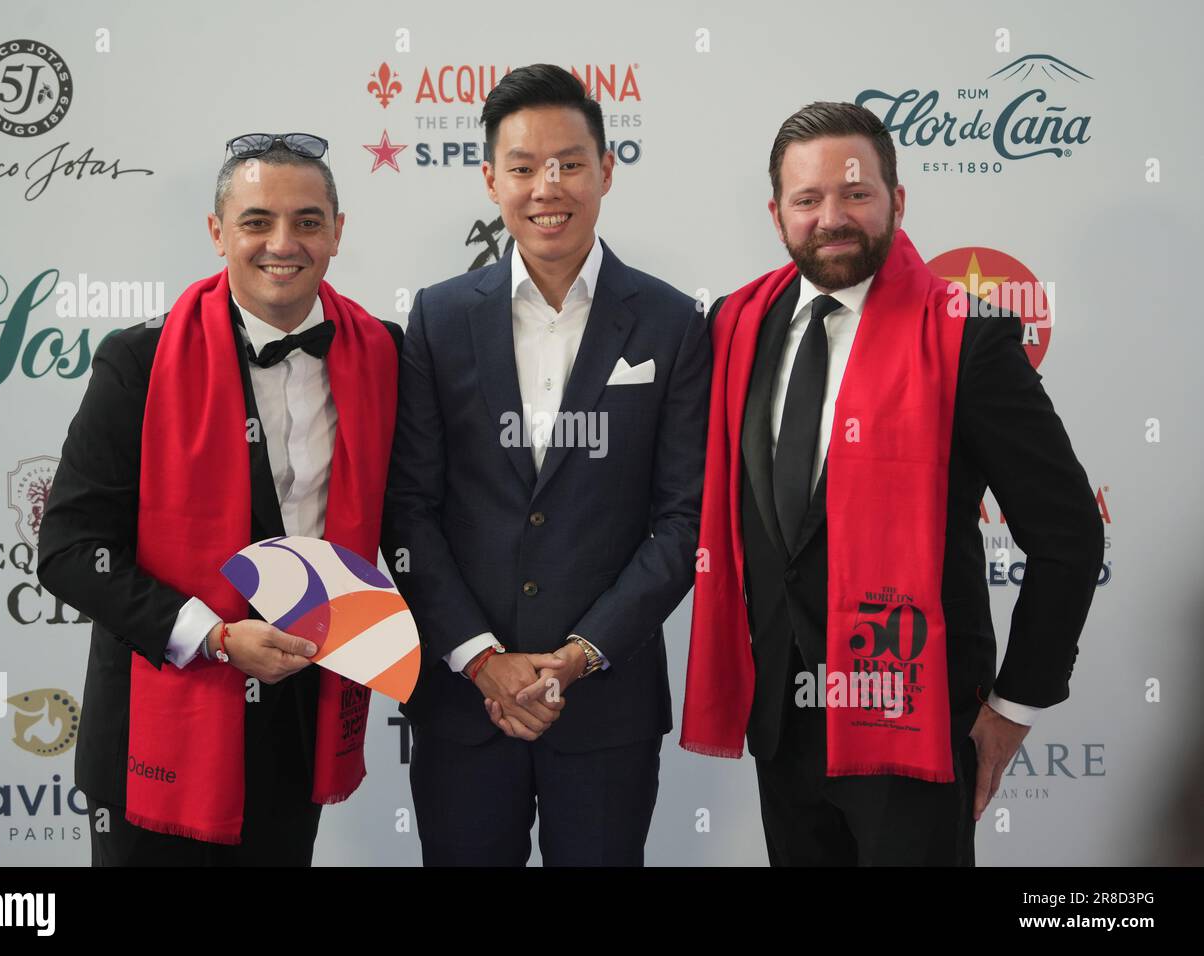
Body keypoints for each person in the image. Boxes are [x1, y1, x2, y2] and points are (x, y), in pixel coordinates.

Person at [681, 102, 1104, 866]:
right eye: (808, 200)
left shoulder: (965, 337)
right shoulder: (737, 325)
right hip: (781, 717)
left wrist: (1013, 705)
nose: (832, 217)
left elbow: (1068, 535)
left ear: (897, 201)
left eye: (856, 193)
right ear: (777, 215)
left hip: (917, 721)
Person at [36, 133, 402, 865]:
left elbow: (408, 524)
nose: (282, 243)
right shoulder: (138, 361)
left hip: (301, 715)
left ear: (337, 231)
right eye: (256, 221)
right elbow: (71, 551)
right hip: (157, 726)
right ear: (217, 233)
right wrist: (215, 637)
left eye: (306, 221)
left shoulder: (385, 352)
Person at [382, 64, 711, 866]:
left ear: (606, 169)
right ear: (491, 179)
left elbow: (682, 521)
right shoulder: (437, 317)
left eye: (569, 163)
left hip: (606, 706)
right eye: (523, 167)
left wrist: (577, 657)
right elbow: (410, 509)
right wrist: (482, 659)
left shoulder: (673, 322)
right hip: (463, 703)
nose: (547, 187)